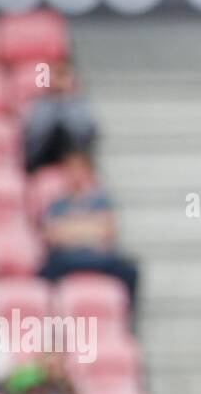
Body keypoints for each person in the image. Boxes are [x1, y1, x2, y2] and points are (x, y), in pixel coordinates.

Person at [38, 150, 139, 308]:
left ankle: (126, 320)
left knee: (130, 271)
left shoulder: (102, 200)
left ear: (89, 172)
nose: (76, 175)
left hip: (98, 259)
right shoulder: (57, 203)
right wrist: (91, 227)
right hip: (66, 260)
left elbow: (108, 231)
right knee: (41, 276)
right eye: (71, 170)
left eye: (80, 169)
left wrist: (70, 228)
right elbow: (52, 236)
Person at [21, 58, 97, 173]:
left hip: (73, 155)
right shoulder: (40, 104)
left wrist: (65, 102)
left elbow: (84, 132)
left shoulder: (80, 104)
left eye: (64, 75)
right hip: (41, 157)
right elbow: (35, 134)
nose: (60, 81)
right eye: (58, 75)